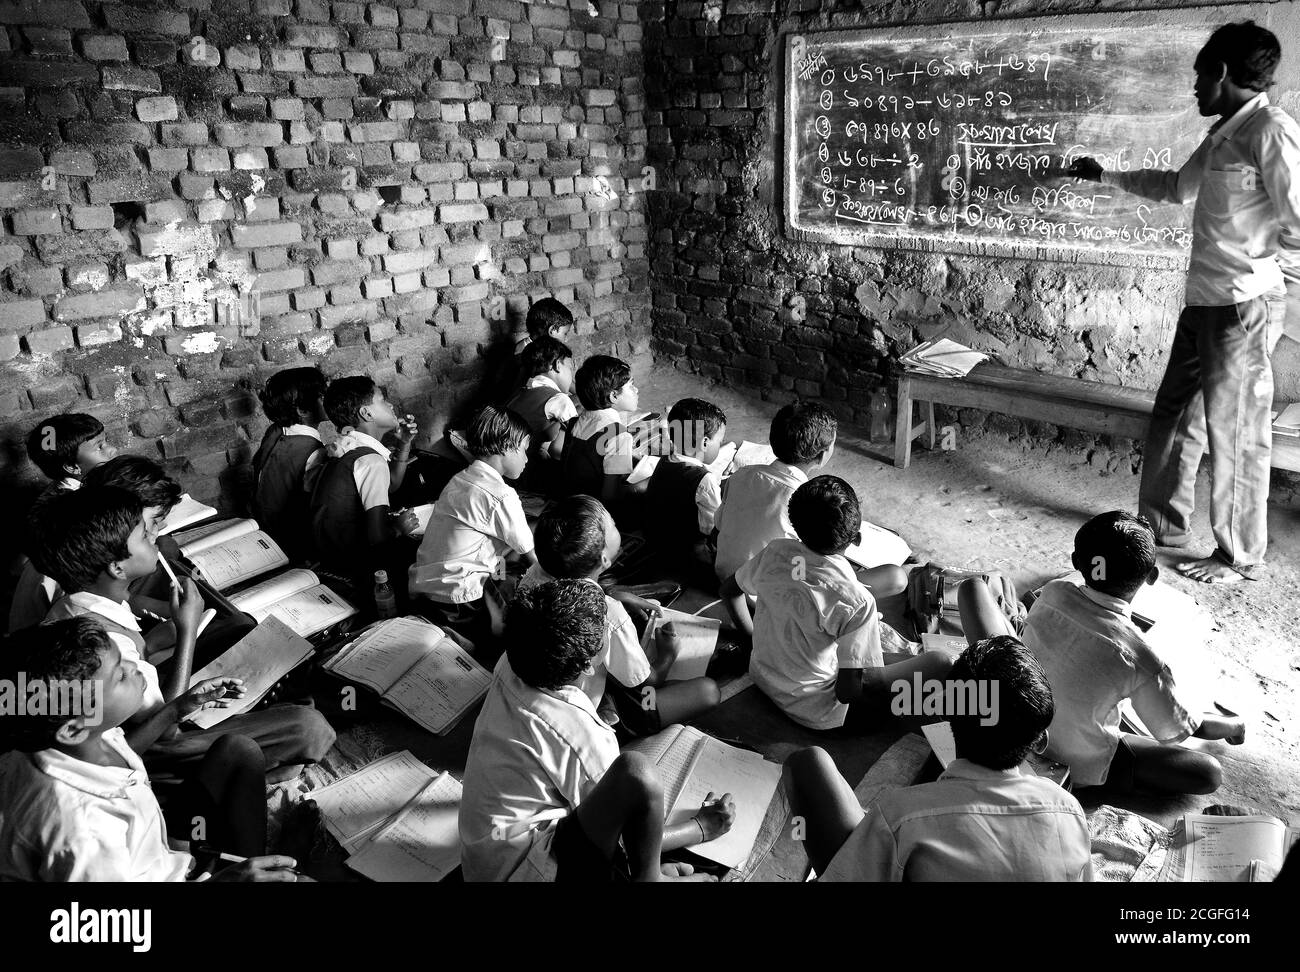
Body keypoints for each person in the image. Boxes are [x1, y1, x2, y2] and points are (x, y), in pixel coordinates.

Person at [1067, 21, 1300, 584]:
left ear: (1220, 73)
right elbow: (1177, 187)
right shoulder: (1226, 133)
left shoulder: (1270, 130)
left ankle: (1239, 556)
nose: (1194, 89)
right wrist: (1108, 177)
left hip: (1242, 306)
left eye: (1199, 76)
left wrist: (1267, 268)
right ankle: (1161, 529)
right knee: (1175, 420)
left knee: (1237, 433)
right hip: (1205, 303)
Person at [30, 487, 335, 783]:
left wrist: (154, 642)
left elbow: (134, 664)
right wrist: (187, 631)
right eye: (144, 535)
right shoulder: (102, 640)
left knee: (238, 627)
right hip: (148, 746)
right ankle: (232, 771)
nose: (156, 538)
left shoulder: (75, 603)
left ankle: (261, 747)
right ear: (117, 568)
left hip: (135, 708)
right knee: (308, 728)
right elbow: (162, 726)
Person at [458, 580, 734, 881]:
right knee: (637, 773)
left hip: (486, 860)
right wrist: (699, 827)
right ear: (590, 664)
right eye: (608, 633)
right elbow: (629, 837)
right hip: (528, 871)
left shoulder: (515, 660)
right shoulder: (576, 735)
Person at [959, 511, 1246, 794]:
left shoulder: (1054, 591)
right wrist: (1235, 725)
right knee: (1208, 773)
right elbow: (1188, 729)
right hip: (1078, 764)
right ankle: (1093, 780)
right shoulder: (1141, 657)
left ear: (1075, 563)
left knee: (974, 589)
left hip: (1012, 731)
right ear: (1152, 577)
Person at [0, 618, 302, 881]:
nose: (135, 667)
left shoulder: (63, 734)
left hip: (157, 850)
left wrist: (175, 710)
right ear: (73, 728)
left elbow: (119, 754)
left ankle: (192, 849)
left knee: (239, 750)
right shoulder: (86, 834)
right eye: (120, 675)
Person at [784, 636, 1093, 881]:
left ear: (943, 713)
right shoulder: (1069, 811)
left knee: (807, 764)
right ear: (1039, 740)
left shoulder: (902, 815)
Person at [721, 476, 951, 732]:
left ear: (796, 527)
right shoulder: (858, 602)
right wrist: (871, 668)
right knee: (940, 664)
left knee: (892, 652)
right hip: (821, 714)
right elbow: (848, 692)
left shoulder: (775, 552)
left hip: (763, 677)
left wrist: (754, 639)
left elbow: (729, 591)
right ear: (857, 539)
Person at [520, 495, 720, 737]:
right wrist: (668, 654)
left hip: (539, 692)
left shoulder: (533, 575)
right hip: (584, 714)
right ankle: (619, 725)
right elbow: (648, 681)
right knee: (707, 691)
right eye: (613, 523)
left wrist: (613, 593)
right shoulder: (608, 614)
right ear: (604, 559)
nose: (617, 526)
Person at [409, 405, 536, 647]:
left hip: (428, 584)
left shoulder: (460, 478)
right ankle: (466, 639)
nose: (527, 459)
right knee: (507, 636)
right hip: (461, 597)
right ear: (506, 447)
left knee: (505, 555)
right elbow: (532, 557)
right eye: (524, 450)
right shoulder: (502, 495)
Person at [310, 376, 419, 598]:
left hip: (325, 557)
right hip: (352, 569)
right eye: (382, 400)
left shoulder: (344, 442)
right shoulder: (371, 461)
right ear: (366, 414)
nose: (389, 404)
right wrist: (398, 528)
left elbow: (391, 485)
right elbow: (377, 538)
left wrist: (404, 443)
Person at [252, 366, 329, 562]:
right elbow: (320, 508)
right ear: (303, 410)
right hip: (294, 546)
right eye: (322, 395)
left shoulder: (274, 431)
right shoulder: (314, 451)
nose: (327, 399)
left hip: (265, 531)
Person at [505, 336, 578, 495]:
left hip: (506, 470)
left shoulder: (520, 391)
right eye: (570, 368)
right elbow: (576, 444)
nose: (571, 376)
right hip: (528, 475)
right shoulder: (559, 400)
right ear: (558, 365)